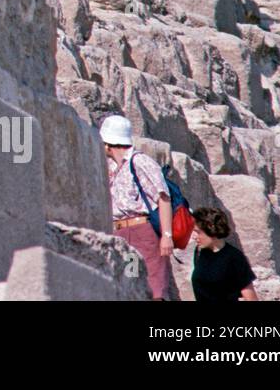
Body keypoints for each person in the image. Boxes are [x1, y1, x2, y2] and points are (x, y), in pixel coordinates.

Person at [101, 115, 174, 300]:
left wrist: (167, 236)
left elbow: (163, 198)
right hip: (123, 236)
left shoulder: (140, 161)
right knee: (132, 284)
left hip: (142, 232)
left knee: (154, 287)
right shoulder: (112, 167)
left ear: (109, 143)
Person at [190, 207, 259, 301]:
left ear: (211, 229)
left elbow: (250, 298)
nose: (194, 237)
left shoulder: (234, 258)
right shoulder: (200, 253)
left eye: (198, 232)